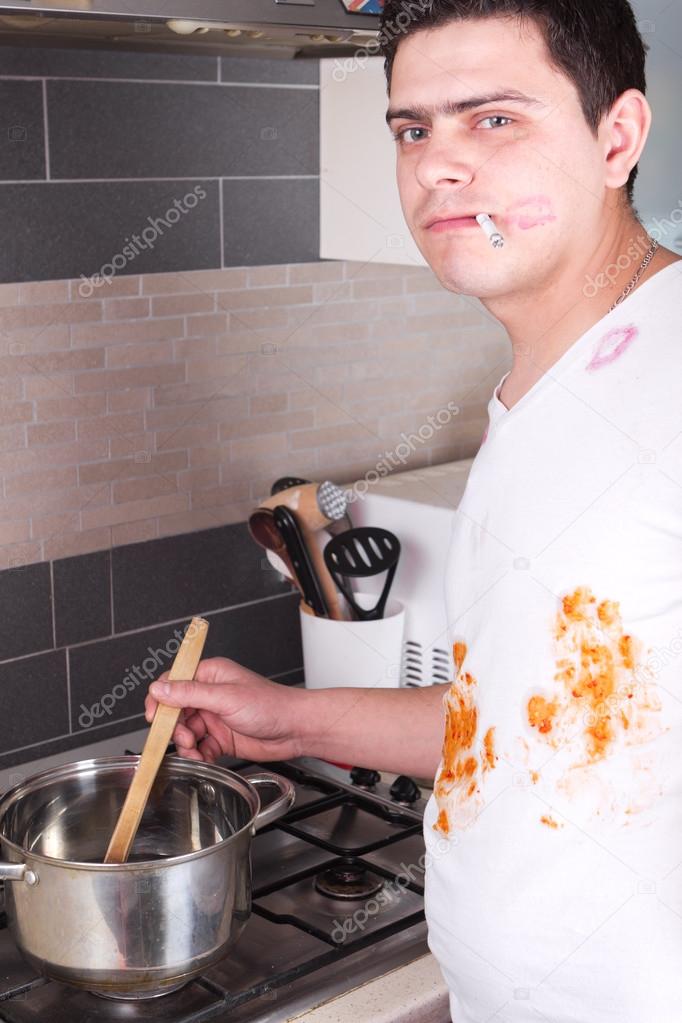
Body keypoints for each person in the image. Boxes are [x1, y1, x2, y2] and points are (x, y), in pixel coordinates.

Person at [146, 2, 682, 1019]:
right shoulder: (537, 392)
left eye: (492, 120)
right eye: (411, 128)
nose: (437, 164)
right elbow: (535, 721)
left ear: (615, 138)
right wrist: (292, 719)